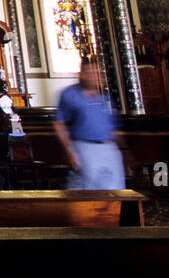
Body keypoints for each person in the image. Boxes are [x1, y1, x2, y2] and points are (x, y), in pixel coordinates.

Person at [53, 61, 124, 190]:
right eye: (91, 73)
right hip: (84, 147)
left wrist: (122, 149)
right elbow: (59, 123)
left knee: (114, 189)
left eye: (98, 73)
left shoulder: (105, 96)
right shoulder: (70, 94)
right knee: (87, 190)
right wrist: (70, 152)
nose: (95, 76)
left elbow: (112, 126)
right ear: (82, 74)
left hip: (108, 148)